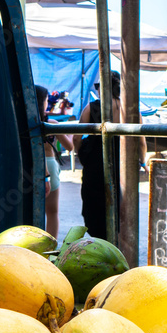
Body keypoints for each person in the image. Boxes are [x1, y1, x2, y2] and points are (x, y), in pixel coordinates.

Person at [73, 71, 121, 239]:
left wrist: (82, 156)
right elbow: (141, 142)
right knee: (118, 205)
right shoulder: (128, 110)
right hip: (120, 164)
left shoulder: (91, 108)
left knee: (93, 208)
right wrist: (141, 162)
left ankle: (99, 243)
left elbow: (76, 137)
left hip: (94, 164)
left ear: (101, 89)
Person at [37, 85, 73, 239]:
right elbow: (69, 146)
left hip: (32, 164)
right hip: (50, 166)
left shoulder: (26, 123)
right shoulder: (51, 123)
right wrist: (72, 134)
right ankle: (50, 250)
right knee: (52, 212)